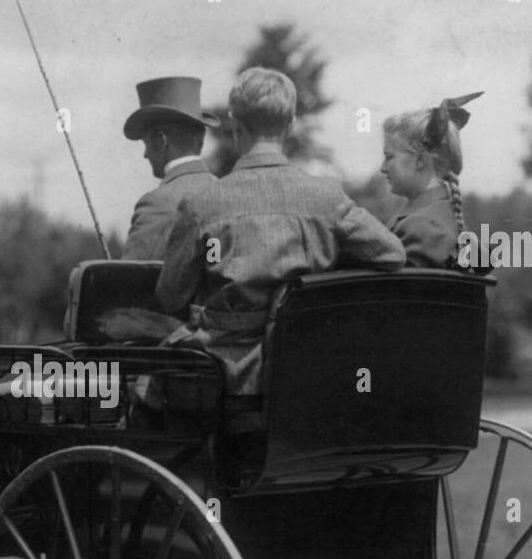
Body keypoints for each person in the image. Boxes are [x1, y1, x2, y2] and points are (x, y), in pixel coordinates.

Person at [156, 67, 406, 399]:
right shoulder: (327, 198)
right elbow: (393, 254)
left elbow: (170, 297)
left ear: (235, 127)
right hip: (309, 373)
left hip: (226, 384)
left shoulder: (201, 206)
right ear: (289, 126)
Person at [122, 76, 220, 261]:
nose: (145, 155)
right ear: (201, 139)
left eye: (146, 143)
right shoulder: (226, 191)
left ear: (161, 141)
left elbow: (129, 281)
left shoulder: (157, 203)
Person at [381, 92, 482, 267]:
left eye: (389, 157)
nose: (382, 168)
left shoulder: (423, 227)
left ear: (420, 160)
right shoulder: (432, 216)